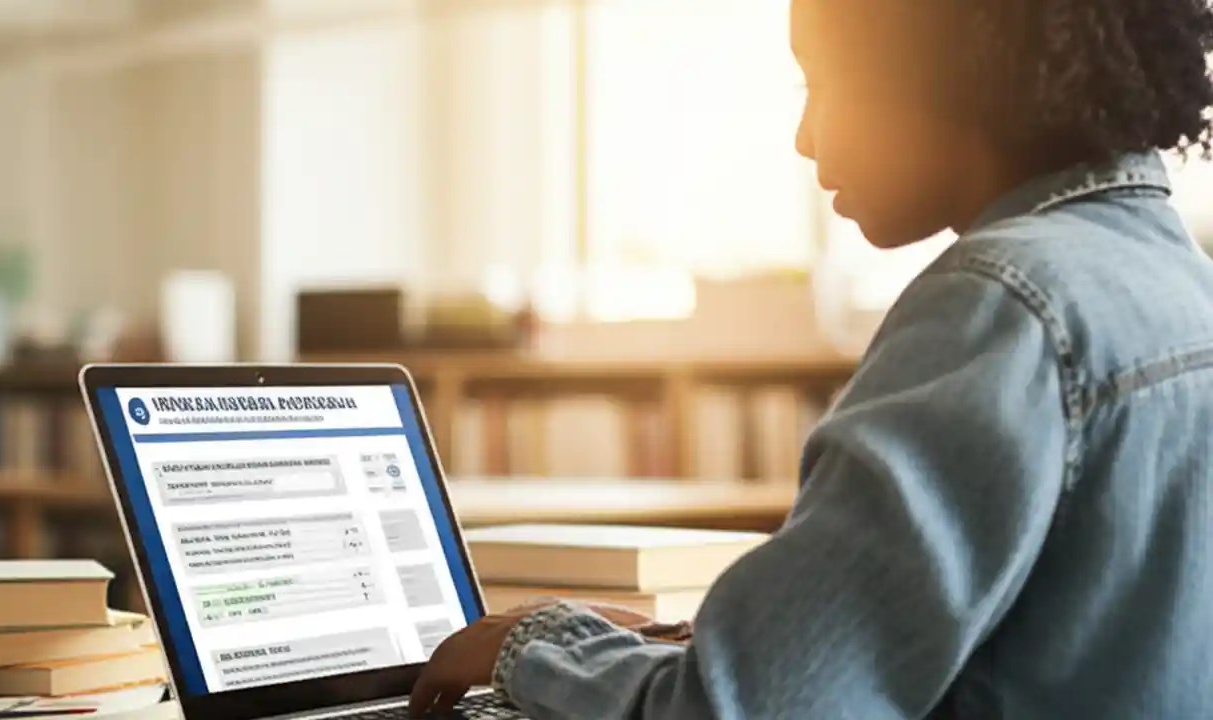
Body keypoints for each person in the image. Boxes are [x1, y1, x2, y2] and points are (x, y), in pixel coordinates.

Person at [410, 0, 1213, 717]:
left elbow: (737, 712)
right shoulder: (1182, 286)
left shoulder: (1001, 307)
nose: (803, 137)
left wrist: (538, 641)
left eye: (820, 84)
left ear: (941, 73)